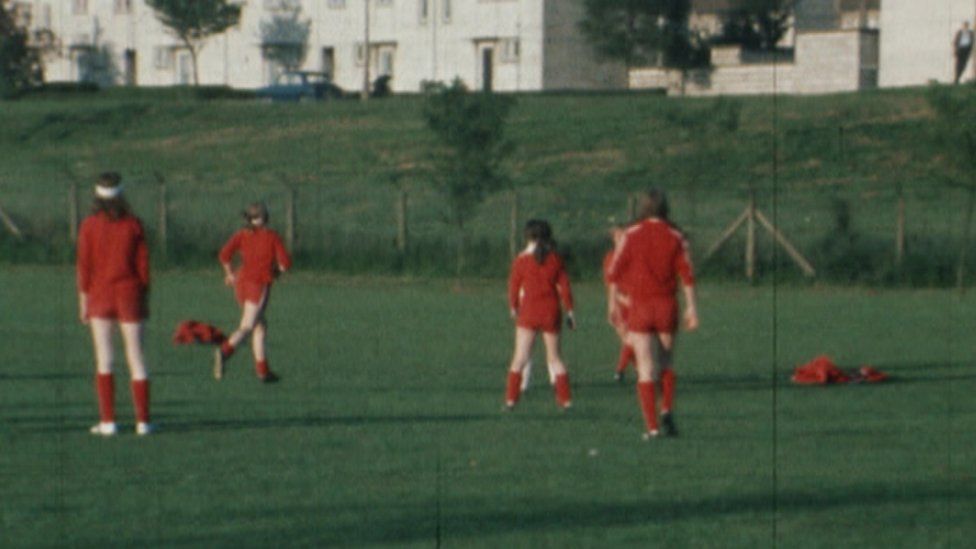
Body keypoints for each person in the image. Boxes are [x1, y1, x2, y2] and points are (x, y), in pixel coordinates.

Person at [607, 189, 698, 439]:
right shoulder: (675, 236)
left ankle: (652, 427)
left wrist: (613, 304)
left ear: (643, 208)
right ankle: (666, 408)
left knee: (645, 369)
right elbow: (687, 275)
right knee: (666, 363)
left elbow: (614, 271)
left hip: (640, 307)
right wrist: (692, 307)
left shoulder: (632, 235)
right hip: (667, 306)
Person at [76, 172, 153, 436]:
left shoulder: (88, 225)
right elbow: (143, 265)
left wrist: (83, 300)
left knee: (104, 359)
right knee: (136, 357)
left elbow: (84, 266)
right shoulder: (134, 224)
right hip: (129, 292)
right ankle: (143, 421)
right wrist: (144, 295)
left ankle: (108, 421)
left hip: (100, 294)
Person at [215, 202, 292, 383]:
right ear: (265, 217)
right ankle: (225, 351)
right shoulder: (272, 237)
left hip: (241, 284)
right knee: (248, 326)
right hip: (258, 284)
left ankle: (263, 371)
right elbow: (285, 264)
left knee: (260, 326)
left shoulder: (242, 235)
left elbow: (224, 255)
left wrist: (229, 274)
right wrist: (278, 272)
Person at [504, 219, 575, 410]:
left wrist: (513, 306)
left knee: (519, 357)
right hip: (551, 312)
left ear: (528, 236)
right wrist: (570, 310)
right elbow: (565, 287)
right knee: (555, 358)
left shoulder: (521, 260)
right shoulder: (555, 259)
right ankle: (565, 400)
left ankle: (511, 399)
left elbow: (513, 287)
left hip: (528, 312)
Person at [603, 224, 634, 382]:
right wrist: (614, 304)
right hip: (621, 304)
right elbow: (611, 284)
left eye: (621, 235)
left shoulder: (635, 256)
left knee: (632, 340)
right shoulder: (611, 258)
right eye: (616, 236)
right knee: (629, 341)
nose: (618, 239)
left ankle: (620, 370)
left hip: (637, 302)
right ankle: (642, 372)